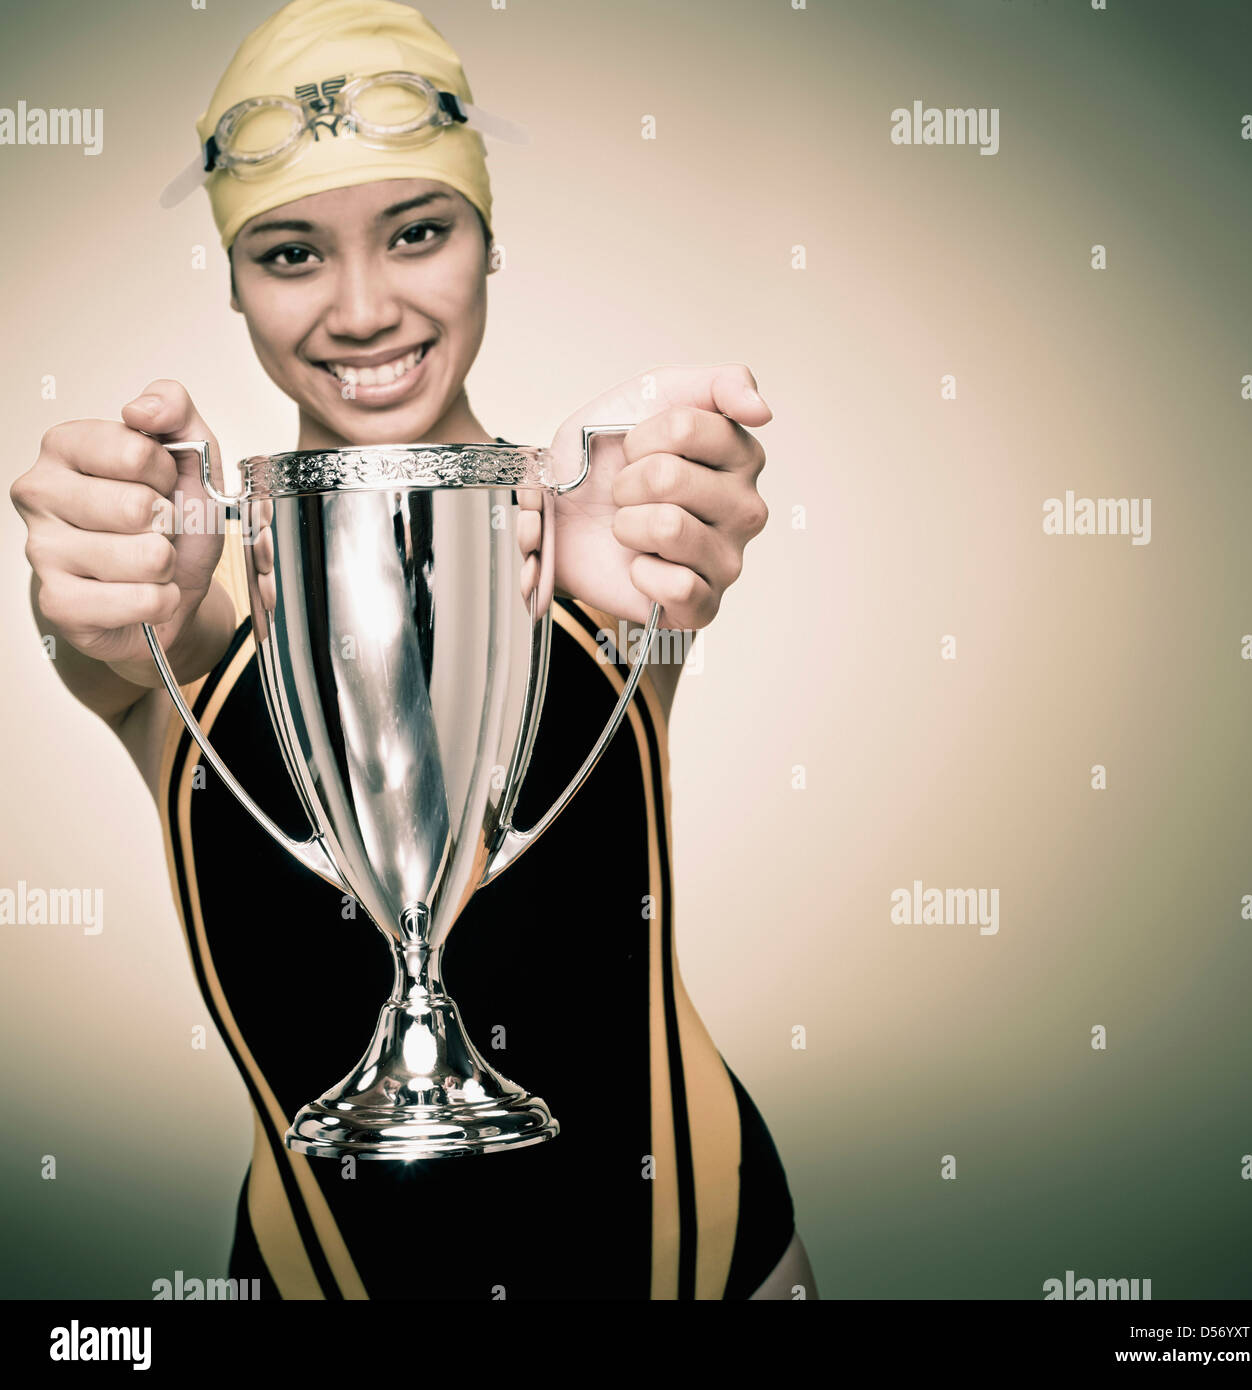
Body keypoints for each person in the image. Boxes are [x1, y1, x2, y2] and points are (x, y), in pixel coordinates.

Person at [9, 0, 817, 1300]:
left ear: (489, 243)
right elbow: (106, 624)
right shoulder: (190, 614)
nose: (364, 308)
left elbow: (652, 576)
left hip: (709, 1256)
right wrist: (91, 576)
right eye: (288, 253)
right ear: (230, 279)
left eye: (419, 231)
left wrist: (670, 534)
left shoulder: (588, 547)